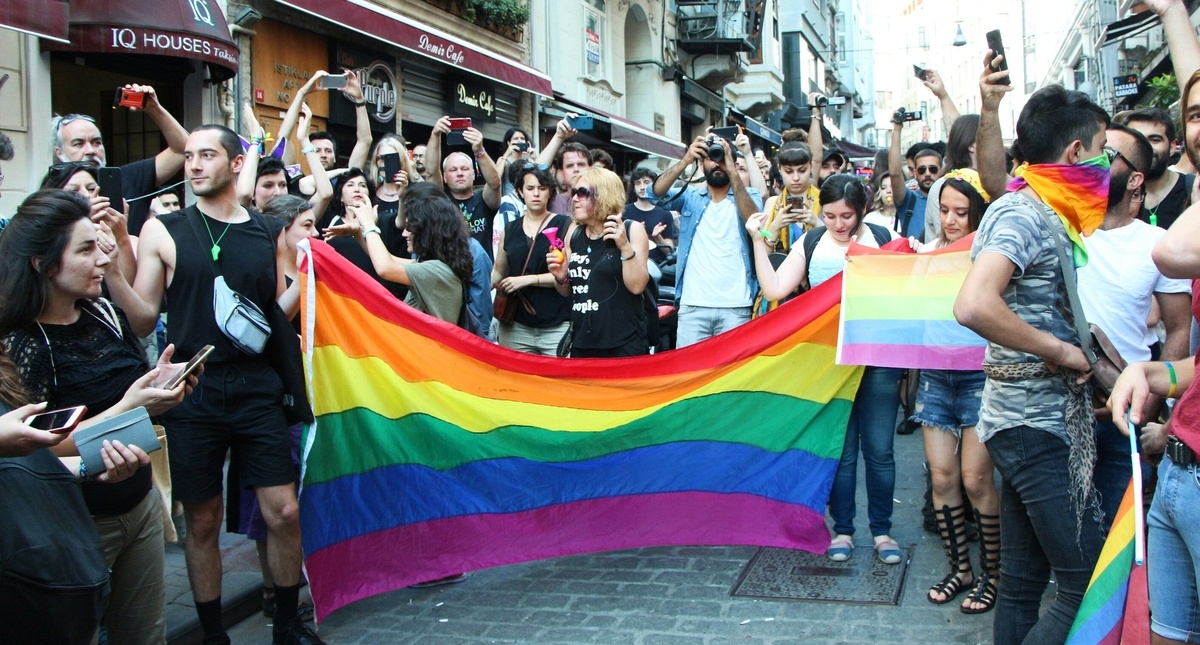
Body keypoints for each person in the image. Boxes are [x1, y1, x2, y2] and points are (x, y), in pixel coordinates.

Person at [123, 124, 323, 645]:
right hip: (195, 391)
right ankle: (214, 637)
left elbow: (269, 317)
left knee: (284, 510)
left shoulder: (262, 231)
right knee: (204, 520)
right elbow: (144, 320)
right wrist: (113, 275)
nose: (192, 165)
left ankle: (286, 626)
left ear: (236, 164)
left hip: (257, 388)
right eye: (188, 156)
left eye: (206, 155)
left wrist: (305, 284)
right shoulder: (162, 230)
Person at [0, 189, 201, 644]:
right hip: (73, 522)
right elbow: (34, 446)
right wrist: (132, 407)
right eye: (86, 249)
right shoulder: (23, 343)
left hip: (139, 504)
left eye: (100, 244)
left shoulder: (105, 311)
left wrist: (161, 388)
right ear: (43, 263)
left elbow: (131, 393)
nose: (102, 258)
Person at [953, 76, 1111, 644]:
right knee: (1084, 584)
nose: (1105, 166)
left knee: (1021, 584)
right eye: (1101, 152)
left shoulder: (1040, 206)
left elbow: (995, 176)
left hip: (1024, 422)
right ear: (1075, 153)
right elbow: (973, 304)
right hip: (1033, 427)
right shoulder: (1022, 214)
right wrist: (1062, 349)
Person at [746, 174, 902, 566]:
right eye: (830, 216)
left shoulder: (883, 236)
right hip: (829, 360)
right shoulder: (811, 241)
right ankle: (844, 529)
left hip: (878, 359)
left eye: (846, 215)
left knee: (880, 450)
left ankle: (882, 530)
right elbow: (776, 289)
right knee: (843, 451)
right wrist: (758, 242)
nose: (838, 224)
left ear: (862, 210)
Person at [1081, 124, 1191, 528]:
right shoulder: (1061, 226)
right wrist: (991, 106)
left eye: (1106, 156)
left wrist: (1152, 408)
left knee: (1118, 538)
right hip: (1057, 412)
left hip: (1122, 416)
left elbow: (1179, 330)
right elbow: (993, 183)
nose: (1092, 162)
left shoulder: (1158, 245)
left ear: (1135, 179)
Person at [907, 169, 1000, 614]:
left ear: (978, 212)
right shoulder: (926, 253)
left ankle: (993, 576)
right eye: (944, 210)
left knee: (976, 479)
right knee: (942, 478)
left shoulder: (991, 254)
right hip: (935, 377)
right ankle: (960, 568)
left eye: (962, 213)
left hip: (982, 376)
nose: (951, 220)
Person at [649, 129, 764, 347]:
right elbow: (654, 194)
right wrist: (686, 160)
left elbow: (753, 219)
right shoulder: (690, 197)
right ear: (702, 163)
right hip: (693, 307)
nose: (717, 163)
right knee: (690, 377)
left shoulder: (749, 195)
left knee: (732, 378)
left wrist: (732, 168)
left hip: (736, 307)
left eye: (722, 157)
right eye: (712, 157)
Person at [52, 84, 189, 235]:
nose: (90, 150)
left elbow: (183, 150)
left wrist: (153, 108)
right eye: (78, 144)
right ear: (59, 153)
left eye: (97, 142)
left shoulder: (127, 178)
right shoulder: (50, 196)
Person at [334, 181, 475, 326]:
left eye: (410, 227)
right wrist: (358, 232)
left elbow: (385, 268)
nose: (404, 233)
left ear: (427, 232)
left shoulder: (436, 271)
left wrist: (369, 224)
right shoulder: (434, 266)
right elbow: (390, 259)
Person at [546, 167, 651, 358]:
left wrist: (624, 246)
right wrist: (561, 278)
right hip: (583, 343)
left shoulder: (631, 229)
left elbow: (637, 286)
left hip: (624, 345)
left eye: (583, 193)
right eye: (574, 192)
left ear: (604, 196)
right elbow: (567, 291)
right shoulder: (574, 233)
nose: (575, 198)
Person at [492, 164, 572, 355]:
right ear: (520, 191)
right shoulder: (510, 229)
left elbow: (567, 276)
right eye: (530, 188)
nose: (536, 194)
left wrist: (528, 279)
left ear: (550, 192)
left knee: (558, 381)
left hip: (556, 323)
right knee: (516, 382)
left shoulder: (565, 224)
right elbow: (498, 271)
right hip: (515, 325)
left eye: (542, 188)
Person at [752, 142, 821, 317]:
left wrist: (816, 223)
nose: (796, 178)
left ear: (810, 167)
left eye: (802, 170)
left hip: (815, 291)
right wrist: (775, 227)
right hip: (778, 295)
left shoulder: (823, 200)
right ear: (780, 170)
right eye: (789, 171)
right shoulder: (772, 203)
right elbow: (764, 253)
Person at [426, 115, 502, 259]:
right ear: (444, 177)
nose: (459, 173)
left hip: (480, 273)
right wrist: (435, 135)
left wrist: (479, 150)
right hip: (448, 272)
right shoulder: (441, 200)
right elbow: (430, 172)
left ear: (473, 174)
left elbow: (495, 183)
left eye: (464, 169)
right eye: (453, 170)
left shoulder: (484, 200)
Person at [1114, 107, 1194, 229]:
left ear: (1172, 146)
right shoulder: (1115, 196)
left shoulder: (1193, 189)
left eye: (1155, 140)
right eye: (1138, 140)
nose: (1147, 147)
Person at [890, 114, 941, 239]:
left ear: (941, 170)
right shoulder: (908, 199)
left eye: (933, 169)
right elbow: (895, 173)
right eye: (922, 169)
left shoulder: (950, 200)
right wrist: (897, 129)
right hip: (914, 258)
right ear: (915, 172)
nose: (928, 173)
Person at [623, 167, 676, 266]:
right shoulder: (624, 212)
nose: (642, 187)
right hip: (630, 265)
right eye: (638, 183)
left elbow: (670, 252)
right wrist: (635, 233)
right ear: (633, 188)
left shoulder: (665, 213)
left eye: (646, 182)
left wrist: (657, 237)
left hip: (658, 267)